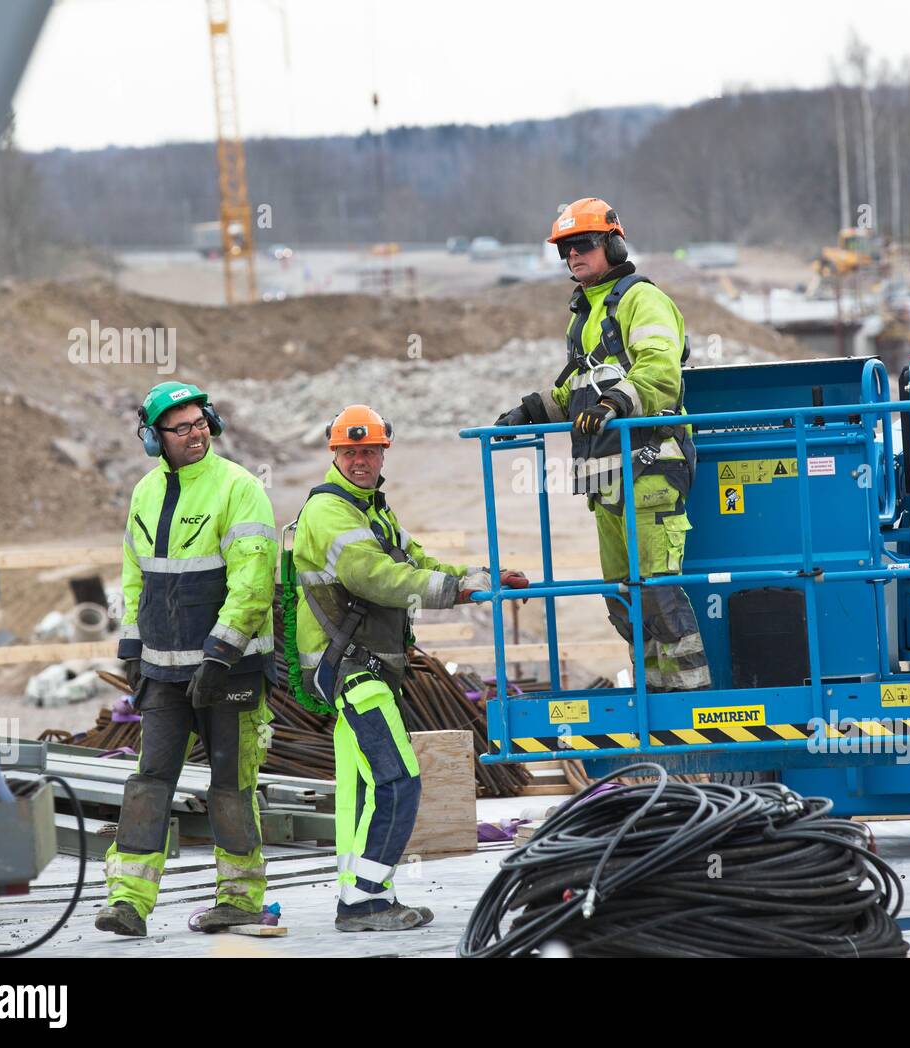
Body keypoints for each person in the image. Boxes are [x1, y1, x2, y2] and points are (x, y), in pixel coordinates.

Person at [292, 405, 526, 931]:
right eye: (350, 452)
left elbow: (416, 563)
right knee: (398, 779)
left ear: (382, 454)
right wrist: (455, 590)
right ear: (335, 454)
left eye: (369, 450)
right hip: (352, 669)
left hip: (363, 667)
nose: (360, 460)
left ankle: (358, 897)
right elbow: (375, 577)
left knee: (361, 788)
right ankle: (370, 900)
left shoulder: (373, 509)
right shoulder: (330, 512)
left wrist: (480, 577)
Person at [494, 197, 710, 693]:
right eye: (565, 249)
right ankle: (652, 693)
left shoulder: (641, 300)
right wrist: (532, 409)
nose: (573, 255)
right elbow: (579, 388)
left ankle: (691, 700)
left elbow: (660, 369)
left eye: (584, 244)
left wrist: (616, 403)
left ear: (613, 243)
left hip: (652, 470)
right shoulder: (586, 315)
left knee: (656, 591)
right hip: (607, 479)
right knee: (623, 598)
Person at [95, 381, 278, 937]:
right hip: (163, 672)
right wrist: (131, 648)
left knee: (229, 785)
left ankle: (242, 899)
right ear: (156, 439)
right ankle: (127, 901)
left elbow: (253, 580)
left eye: (201, 423)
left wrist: (220, 655)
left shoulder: (239, 489)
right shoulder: (145, 494)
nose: (195, 434)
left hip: (231, 670)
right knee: (150, 781)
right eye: (181, 428)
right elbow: (137, 577)